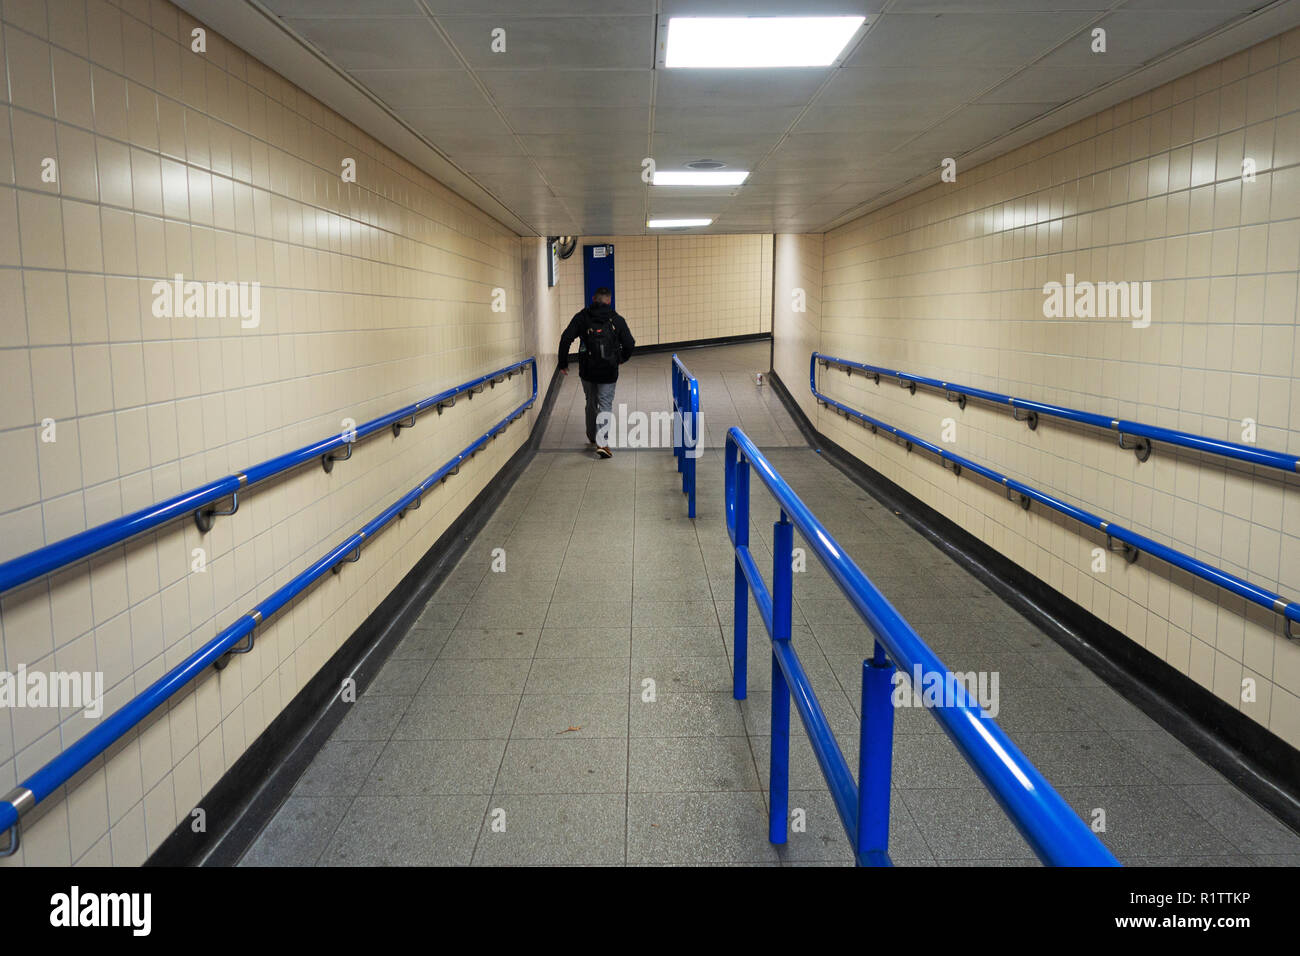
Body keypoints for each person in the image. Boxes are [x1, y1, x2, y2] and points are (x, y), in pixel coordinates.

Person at [558, 287, 636, 458]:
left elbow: (566, 338)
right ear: (609, 300)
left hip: (587, 369)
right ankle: (602, 443)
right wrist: (620, 359)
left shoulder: (582, 317)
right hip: (608, 371)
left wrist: (562, 363)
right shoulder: (616, 320)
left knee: (591, 402)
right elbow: (630, 343)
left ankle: (592, 436)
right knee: (605, 404)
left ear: (594, 298)